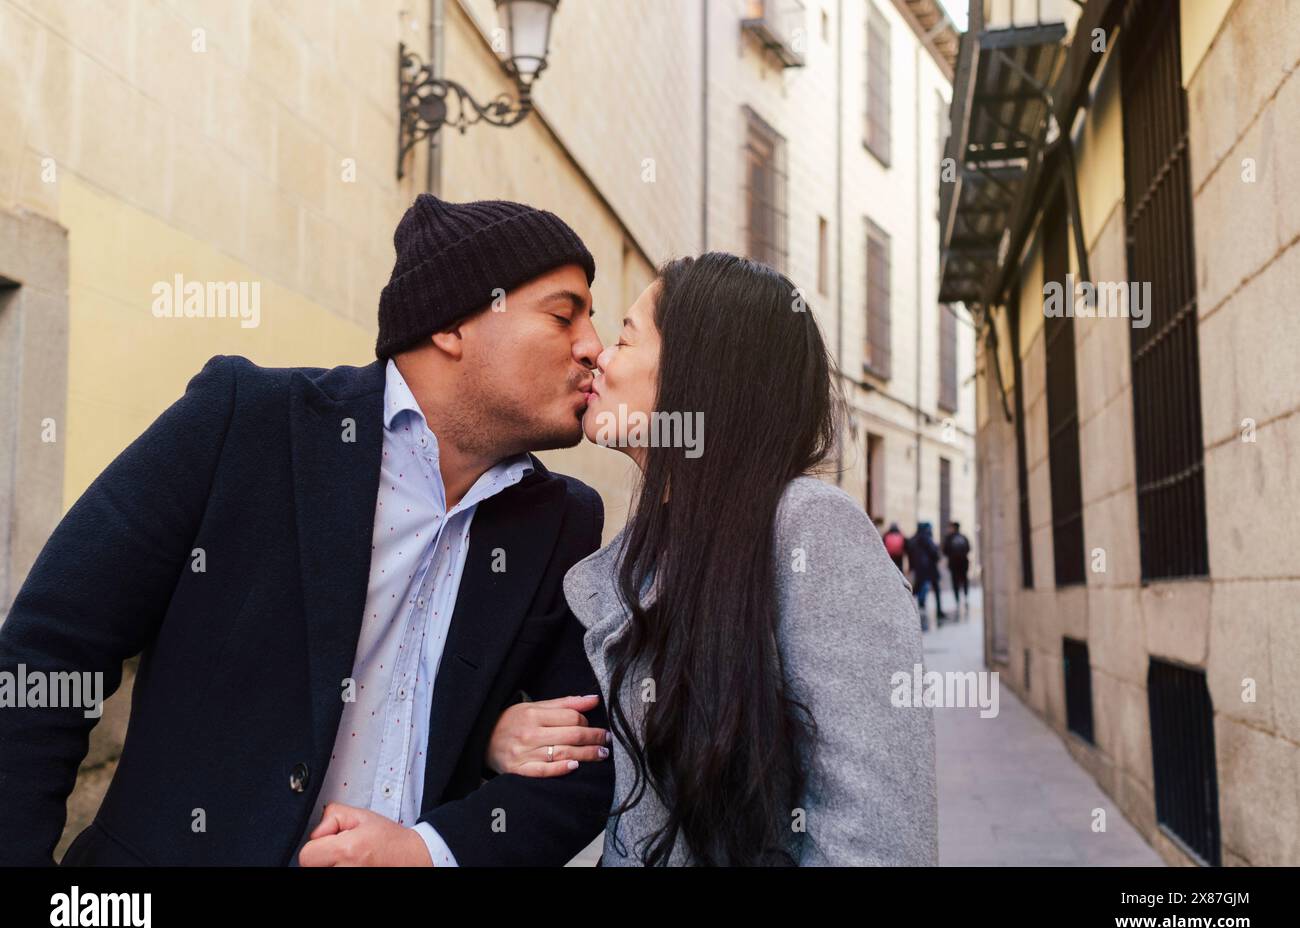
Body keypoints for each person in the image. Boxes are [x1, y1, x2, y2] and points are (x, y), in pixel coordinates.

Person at [0, 194, 616, 866]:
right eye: (563, 315)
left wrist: (432, 851)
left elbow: (582, 765)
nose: (593, 347)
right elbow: (45, 659)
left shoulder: (564, 522)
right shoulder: (246, 424)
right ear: (453, 325)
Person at [483, 252, 938, 866]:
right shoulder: (642, 555)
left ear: (695, 374)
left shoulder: (808, 529)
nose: (598, 356)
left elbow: (879, 841)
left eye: (624, 337)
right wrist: (504, 736)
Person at [907, 522, 946, 631]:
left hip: (919, 569)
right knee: (934, 589)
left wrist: (912, 566)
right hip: (930, 569)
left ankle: (919, 608)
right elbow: (935, 554)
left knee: (919, 589)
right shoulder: (928, 539)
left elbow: (909, 553)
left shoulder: (914, 539)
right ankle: (938, 610)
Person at [941, 520, 971, 615]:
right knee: (964, 580)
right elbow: (969, 548)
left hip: (954, 564)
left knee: (955, 582)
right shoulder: (964, 537)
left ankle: (957, 601)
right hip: (964, 563)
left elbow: (945, 550)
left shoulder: (949, 538)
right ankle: (965, 598)